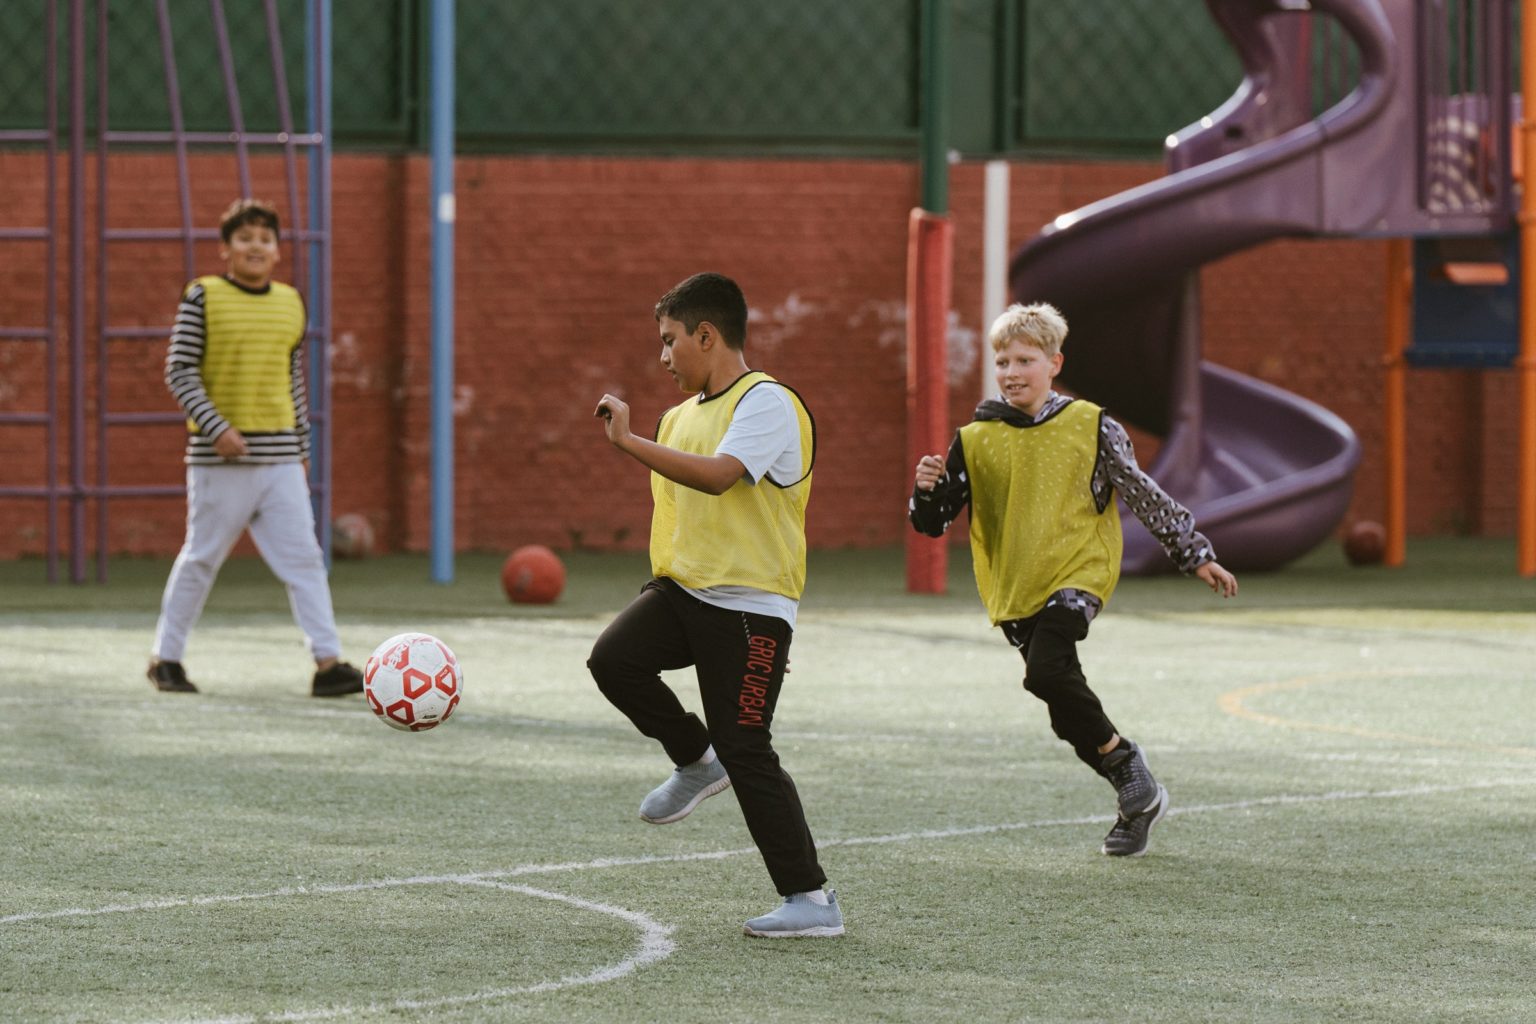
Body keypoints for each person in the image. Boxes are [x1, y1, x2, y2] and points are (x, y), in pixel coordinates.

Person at [909, 301, 1238, 857]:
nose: (1012, 372)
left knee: (1046, 670)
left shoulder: (1092, 425)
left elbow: (1141, 492)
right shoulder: (975, 437)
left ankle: (1126, 764)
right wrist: (925, 490)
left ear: (1054, 363)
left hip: (1080, 570)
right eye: (1003, 362)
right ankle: (1136, 798)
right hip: (1017, 585)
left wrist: (1193, 552)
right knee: (1061, 707)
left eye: (1025, 361)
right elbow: (934, 523)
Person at [588, 272, 843, 938]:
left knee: (748, 747)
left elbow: (721, 477)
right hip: (682, 592)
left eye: (670, 340)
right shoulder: (677, 418)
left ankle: (812, 901)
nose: (663, 357)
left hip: (751, 606)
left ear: (707, 335)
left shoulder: (766, 402)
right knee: (613, 660)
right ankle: (697, 760)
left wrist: (629, 442)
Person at [146, 199, 364, 699]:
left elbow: (291, 379)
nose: (255, 247)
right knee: (202, 559)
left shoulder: (290, 302)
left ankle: (328, 664)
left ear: (278, 251)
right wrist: (216, 428)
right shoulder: (203, 297)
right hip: (221, 461)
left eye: (265, 239)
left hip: (282, 459)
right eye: (244, 238)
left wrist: (302, 447)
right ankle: (166, 658)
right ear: (225, 248)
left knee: (305, 560)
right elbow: (179, 371)